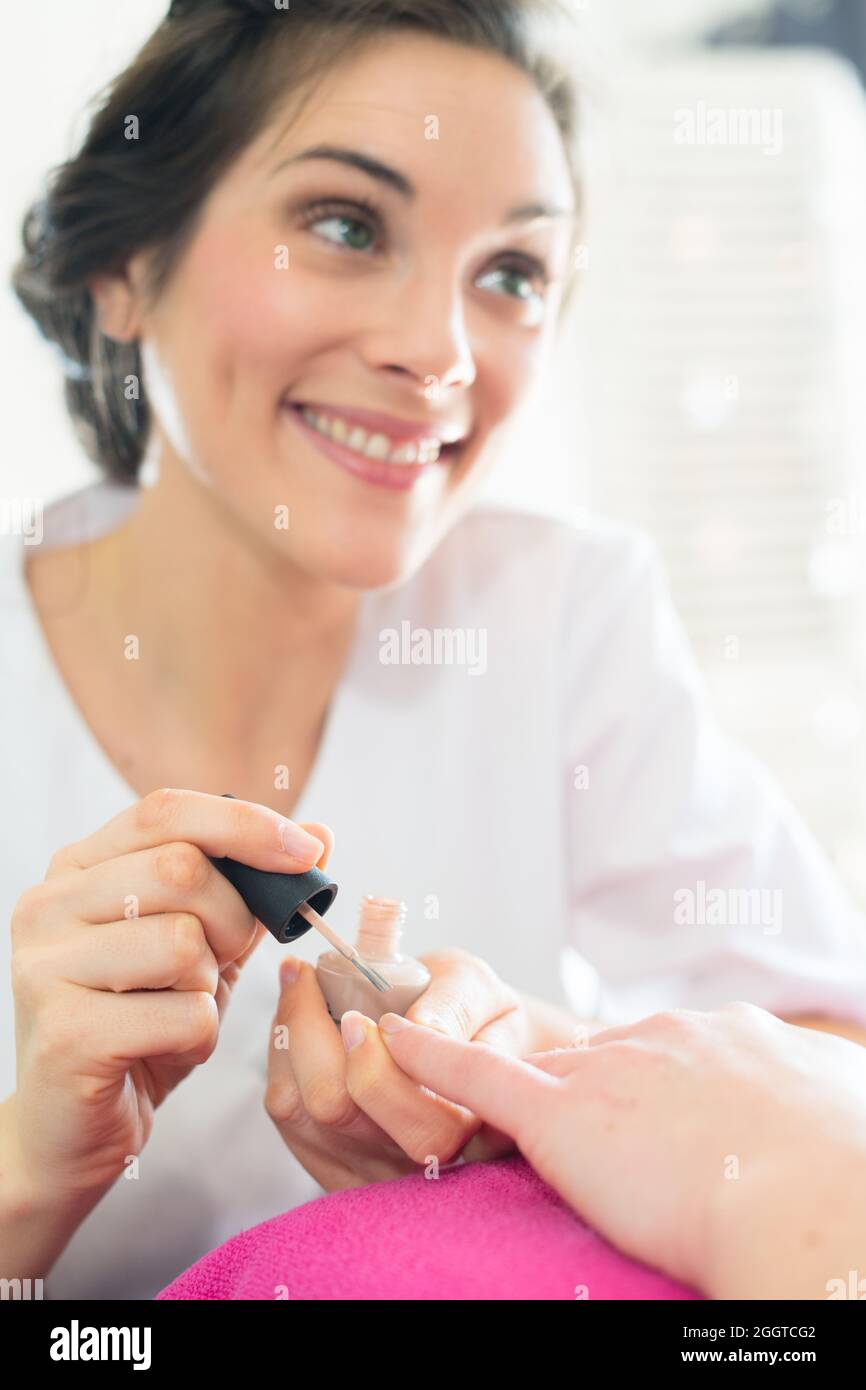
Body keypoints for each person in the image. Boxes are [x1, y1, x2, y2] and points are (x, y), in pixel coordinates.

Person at [3, 0, 866, 1301]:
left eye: (510, 274)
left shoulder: (562, 611)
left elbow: (830, 1064)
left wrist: (528, 1080)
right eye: (346, 226)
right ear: (124, 266)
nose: (439, 353)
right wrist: (28, 1173)